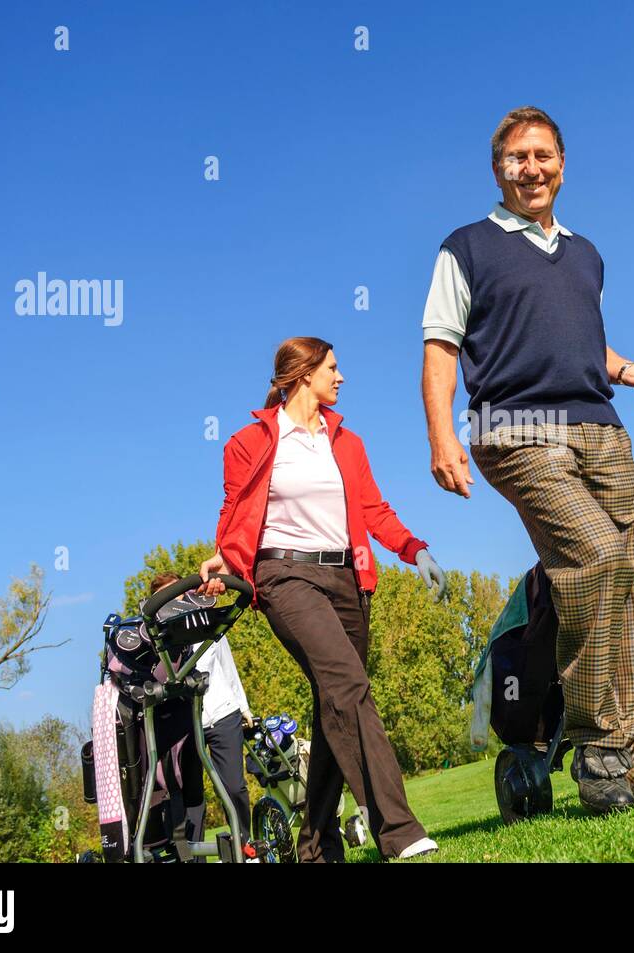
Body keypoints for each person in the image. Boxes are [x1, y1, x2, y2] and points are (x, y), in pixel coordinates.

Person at [421, 105, 634, 814]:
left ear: (562, 165)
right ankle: (596, 743)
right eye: (517, 157)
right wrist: (441, 436)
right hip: (515, 428)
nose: (532, 168)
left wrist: (633, 372)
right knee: (592, 555)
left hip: (600, 427)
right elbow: (441, 346)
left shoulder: (586, 255)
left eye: (543, 155)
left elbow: (583, 343)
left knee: (625, 579)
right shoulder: (466, 247)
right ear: (498, 170)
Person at [199, 336, 445, 861]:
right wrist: (225, 559)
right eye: (332, 368)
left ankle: (315, 845)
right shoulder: (248, 442)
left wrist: (414, 548)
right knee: (349, 687)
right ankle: (398, 830)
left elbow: (374, 509)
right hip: (285, 576)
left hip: (347, 580)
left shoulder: (347, 442)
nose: (341, 377)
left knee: (336, 702)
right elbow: (234, 510)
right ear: (303, 374)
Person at [147, 571, 255, 849]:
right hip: (186, 724)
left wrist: (243, 706)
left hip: (221, 713)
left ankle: (245, 845)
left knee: (233, 786)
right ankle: (190, 854)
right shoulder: (157, 641)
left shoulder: (209, 624)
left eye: (179, 594)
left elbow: (227, 667)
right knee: (190, 798)